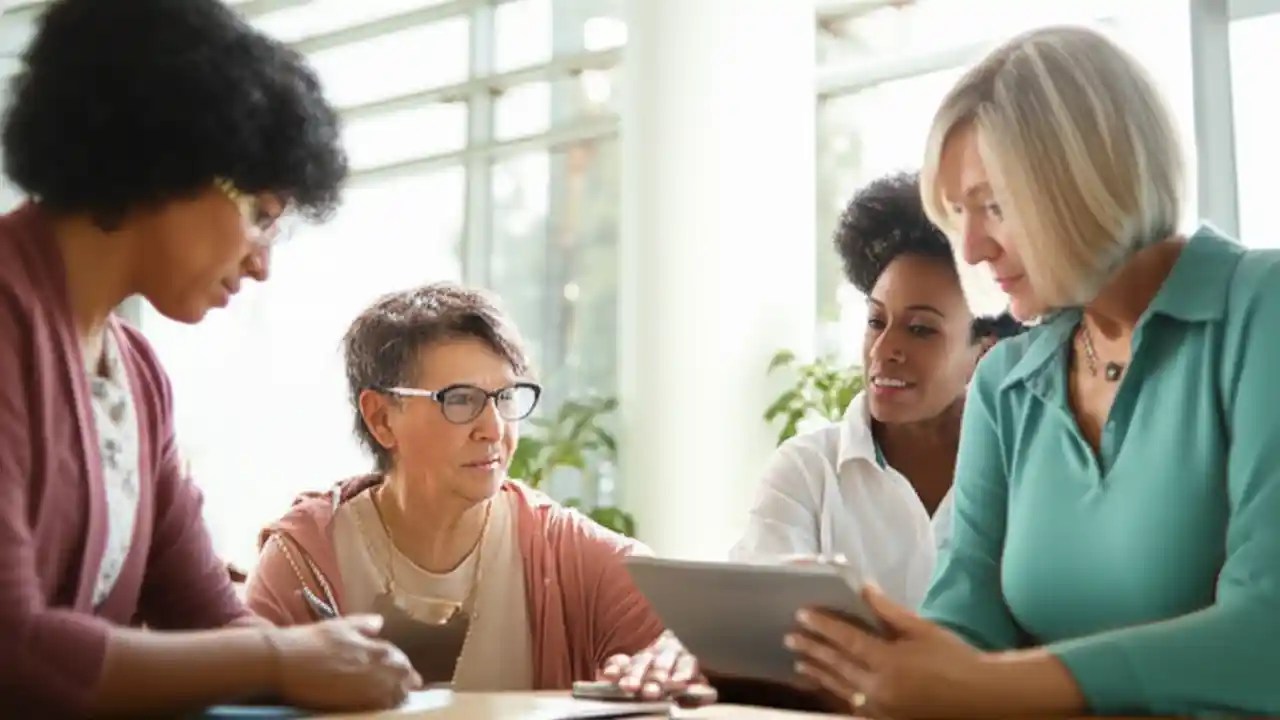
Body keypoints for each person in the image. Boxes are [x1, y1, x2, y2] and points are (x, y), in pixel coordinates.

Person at [786, 25, 1280, 718]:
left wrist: (983, 687)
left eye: (994, 206)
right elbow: (964, 627)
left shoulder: (1262, 310)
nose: (971, 248)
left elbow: (1267, 636)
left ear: (1092, 178)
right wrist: (866, 651)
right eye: (958, 214)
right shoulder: (1007, 383)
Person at [0, 0, 422, 716]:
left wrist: (334, 663)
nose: (262, 264)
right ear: (171, 158)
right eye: (260, 215)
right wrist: (280, 658)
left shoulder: (136, 376)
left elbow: (208, 617)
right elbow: (13, 646)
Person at [244, 283, 710, 702]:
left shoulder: (565, 552)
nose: (493, 428)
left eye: (506, 398)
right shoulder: (302, 564)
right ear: (382, 418)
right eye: (461, 400)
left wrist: (678, 651)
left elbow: (686, 636)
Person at [730, 172, 1021, 607]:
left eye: (920, 329)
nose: (884, 350)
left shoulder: (1024, 474)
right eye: (876, 321)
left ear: (984, 353)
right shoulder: (807, 475)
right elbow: (755, 621)